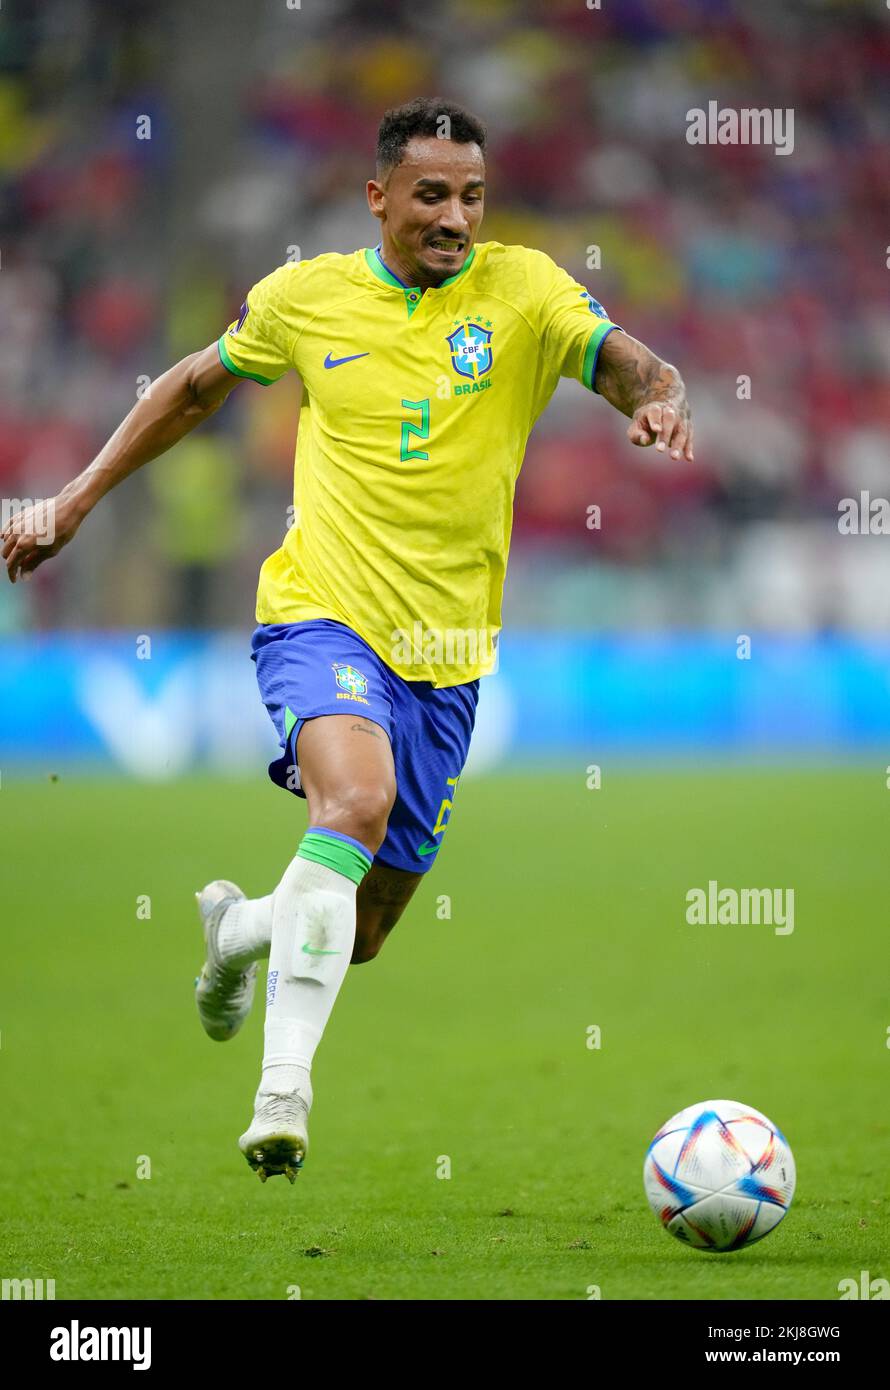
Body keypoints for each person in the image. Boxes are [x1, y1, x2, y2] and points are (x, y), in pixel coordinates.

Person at [2, 96, 694, 1184]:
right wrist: (77, 500)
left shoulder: (522, 289)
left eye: (470, 194)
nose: (454, 217)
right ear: (377, 196)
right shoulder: (304, 298)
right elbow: (191, 388)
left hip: (449, 659)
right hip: (319, 614)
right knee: (353, 805)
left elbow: (624, 363)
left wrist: (654, 398)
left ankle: (236, 935)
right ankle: (282, 1093)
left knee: (358, 930)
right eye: (430, 194)